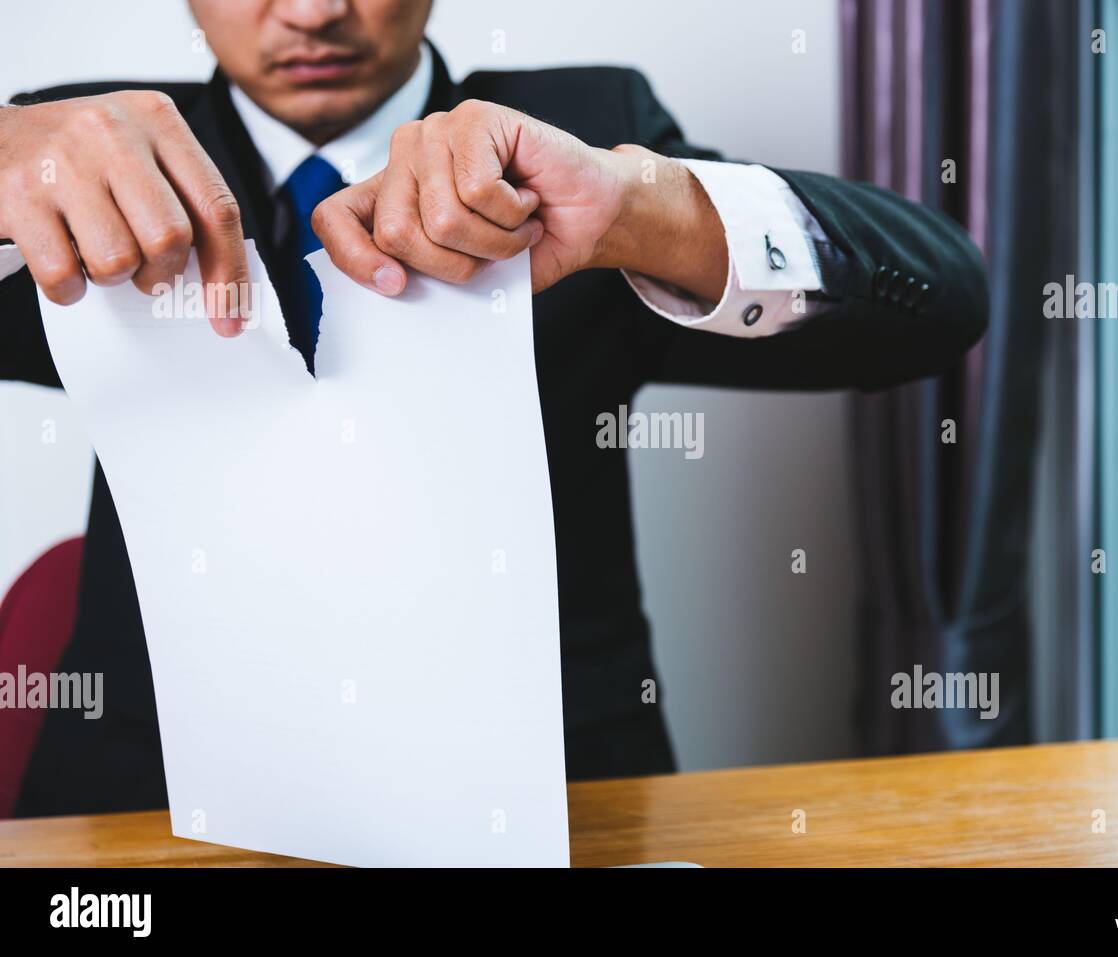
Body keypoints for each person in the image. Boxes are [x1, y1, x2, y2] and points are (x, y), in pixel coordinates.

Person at [0, 0, 987, 815]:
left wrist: (644, 209)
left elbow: (942, 304)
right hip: (143, 796)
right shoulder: (72, 154)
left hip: (552, 794)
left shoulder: (586, 124)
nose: (310, 13)